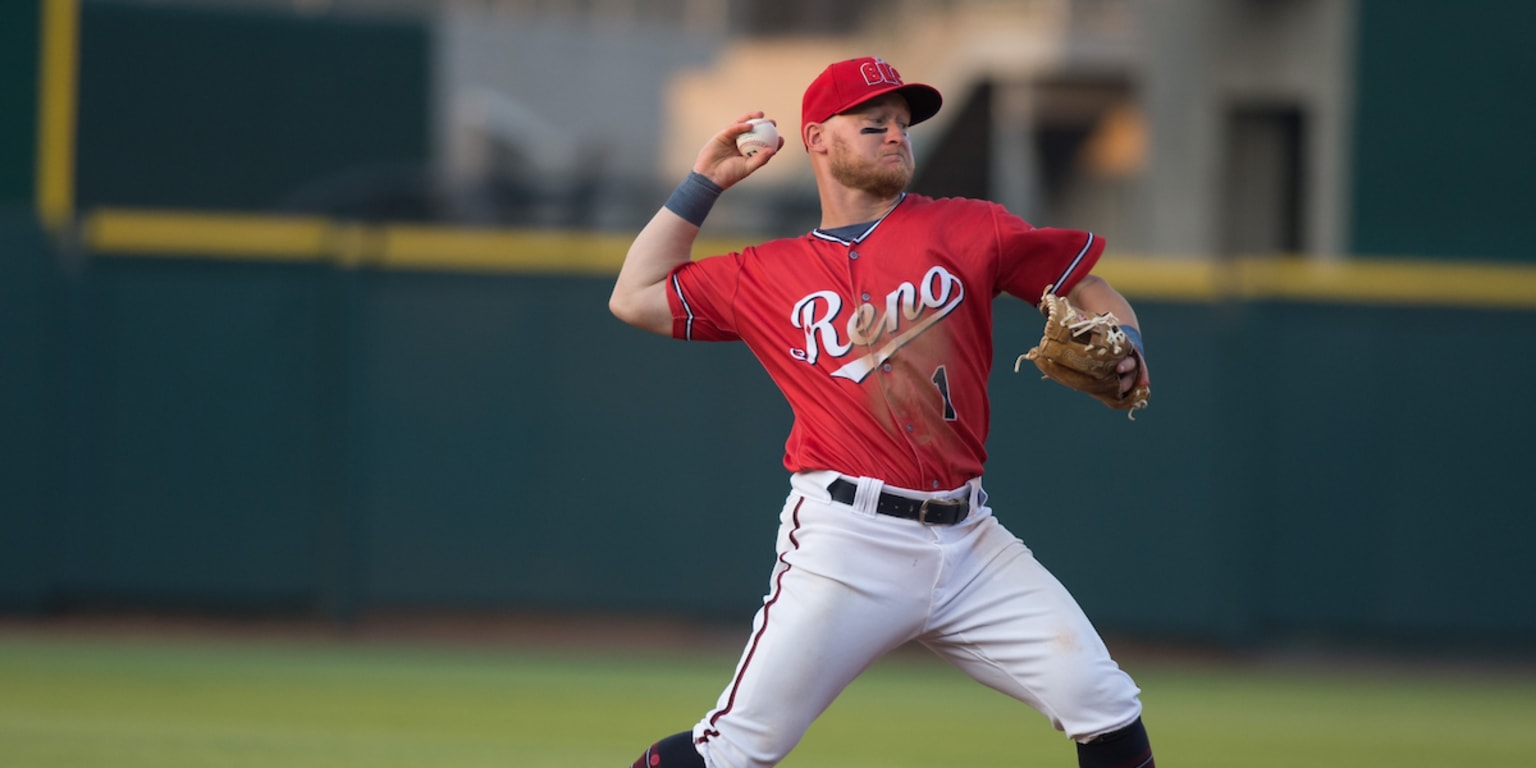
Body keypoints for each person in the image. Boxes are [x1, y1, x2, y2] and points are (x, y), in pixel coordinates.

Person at [609, 56, 1155, 768]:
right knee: (736, 748)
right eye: (873, 124)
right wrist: (705, 181)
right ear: (818, 140)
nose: (896, 133)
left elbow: (1089, 288)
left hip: (970, 542)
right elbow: (635, 295)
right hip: (848, 542)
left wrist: (1130, 341)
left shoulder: (969, 228)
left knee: (1106, 705)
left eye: (903, 123)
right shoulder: (765, 274)